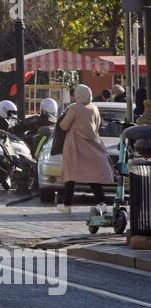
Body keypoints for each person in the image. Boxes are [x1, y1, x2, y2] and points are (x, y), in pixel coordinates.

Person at [57, 83, 114, 215]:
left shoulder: (74, 108)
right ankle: (102, 202)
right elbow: (98, 125)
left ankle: (67, 205)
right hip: (92, 146)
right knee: (92, 176)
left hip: (75, 145)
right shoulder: (94, 108)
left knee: (70, 175)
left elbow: (64, 126)